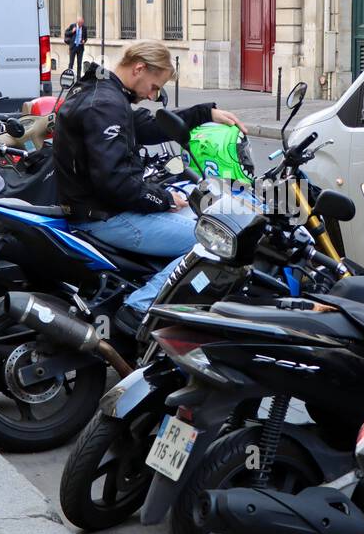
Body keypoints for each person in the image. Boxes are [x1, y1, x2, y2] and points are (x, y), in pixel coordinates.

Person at [53, 41, 246, 330]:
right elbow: (114, 181)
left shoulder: (103, 93)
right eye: (155, 87)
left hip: (97, 209)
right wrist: (164, 198)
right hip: (105, 217)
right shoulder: (106, 104)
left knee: (197, 220)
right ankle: (141, 307)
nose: (153, 95)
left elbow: (149, 126)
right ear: (139, 68)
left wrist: (203, 113)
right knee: (212, 241)